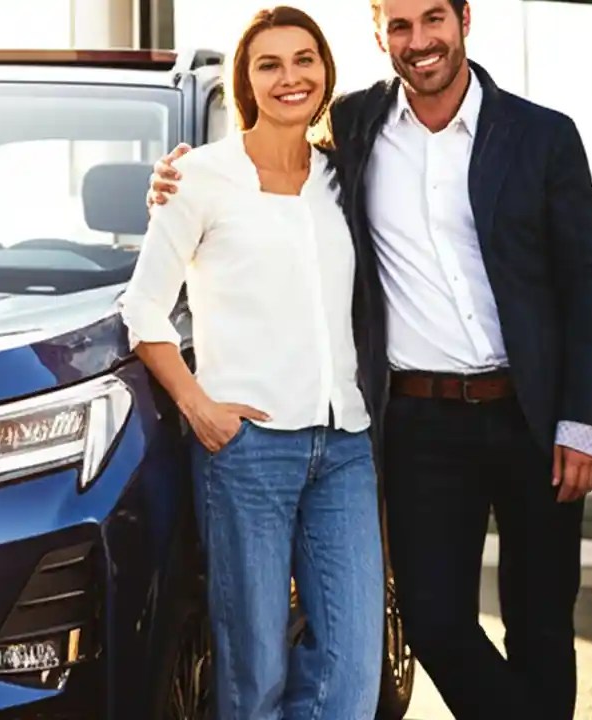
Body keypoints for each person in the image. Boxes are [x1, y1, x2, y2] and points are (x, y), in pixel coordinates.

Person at [146, 1, 592, 718]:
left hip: (534, 416)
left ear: (465, 20)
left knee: (543, 624)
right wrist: (170, 182)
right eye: (400, 26)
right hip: (419, 423)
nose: (420, 41)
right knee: (430, 622)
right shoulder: (357, 129)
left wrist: (584, 420)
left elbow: (590, 282)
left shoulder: (542, 136)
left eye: (434, 19)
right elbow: (257, 167)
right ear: (378, 37)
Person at [118, 7, 384, 720]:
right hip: (247, 452)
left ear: (326, 71)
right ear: (246, 80)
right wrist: (200, 408)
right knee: (253, 673)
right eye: (269, 64)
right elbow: (143, 310)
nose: (290, 77)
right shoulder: (199, 177)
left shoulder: (344, 177)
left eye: (304, 60)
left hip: (345, 448)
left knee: (354, 677)